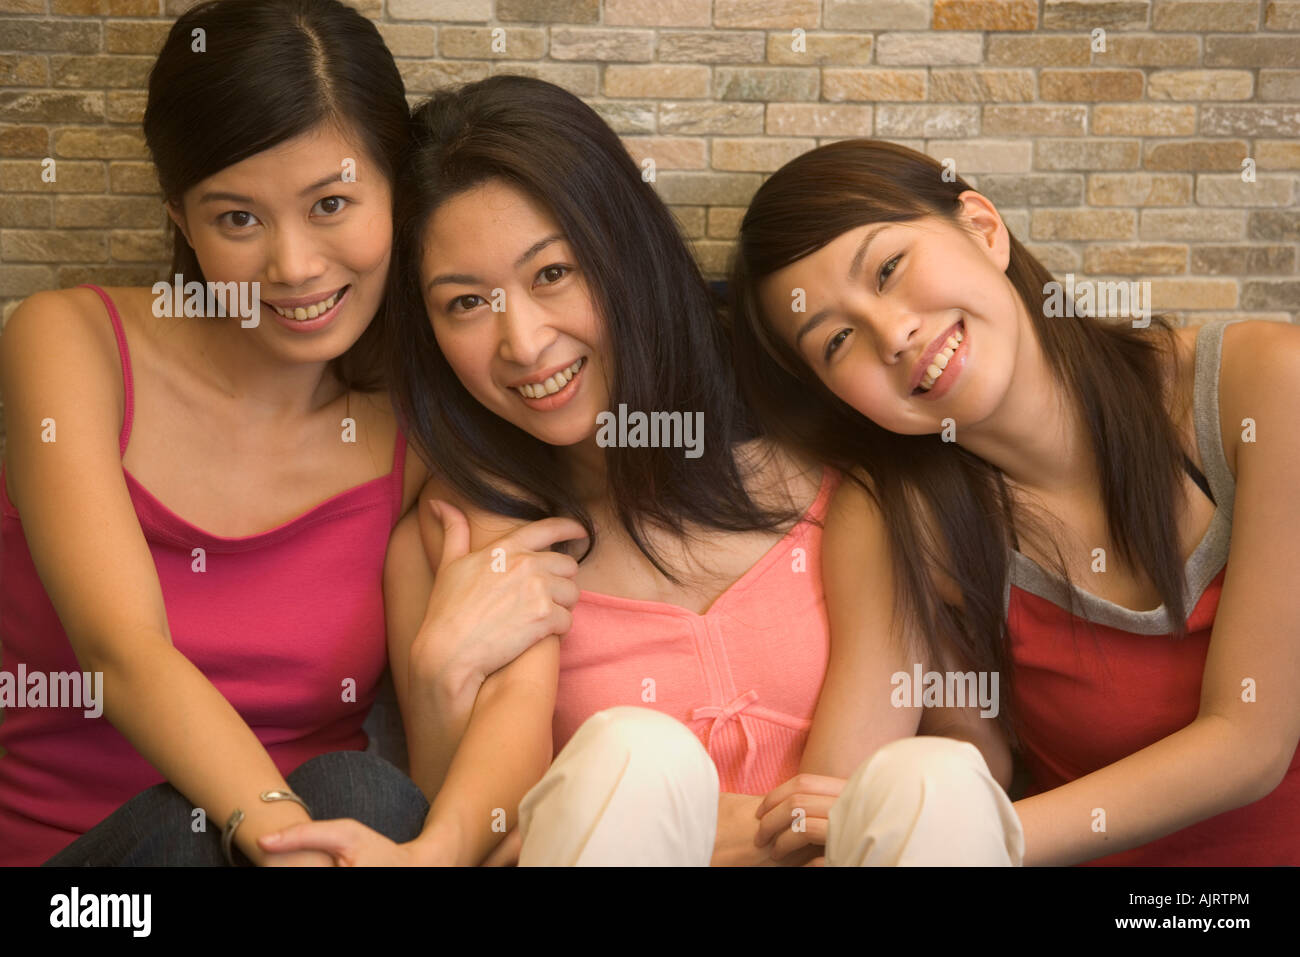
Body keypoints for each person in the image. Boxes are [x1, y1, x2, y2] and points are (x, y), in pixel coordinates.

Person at [259, 77, 1025, 867]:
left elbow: (969, 784)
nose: (521, 341)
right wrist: (432, 677)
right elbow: (488, 847)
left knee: (935, 774)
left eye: (552, 274)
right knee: (633, 752)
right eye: (465, 304)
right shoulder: (461, 534)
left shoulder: (842, 458)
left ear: (625, 253)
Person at [0, 0, 578, 868]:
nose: (295, 266)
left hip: (326, 847)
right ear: (181, 219)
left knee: (365, 792)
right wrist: (279, 835)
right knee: (186, 834)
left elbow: (515, 690)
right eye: (238, 219)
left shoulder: (419, 428)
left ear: (396, 189)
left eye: (332, 202)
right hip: (90, 884)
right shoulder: (68, 343)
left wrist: (435, 853)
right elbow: (119, 650)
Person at [727, 138, 1300, 866]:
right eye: (838, 339)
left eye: (889, 268)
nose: (895, 333)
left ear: (982, 227)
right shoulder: (899, 520)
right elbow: (834, 804)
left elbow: (1251, 741)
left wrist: (962, 834)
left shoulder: (1262, 385)